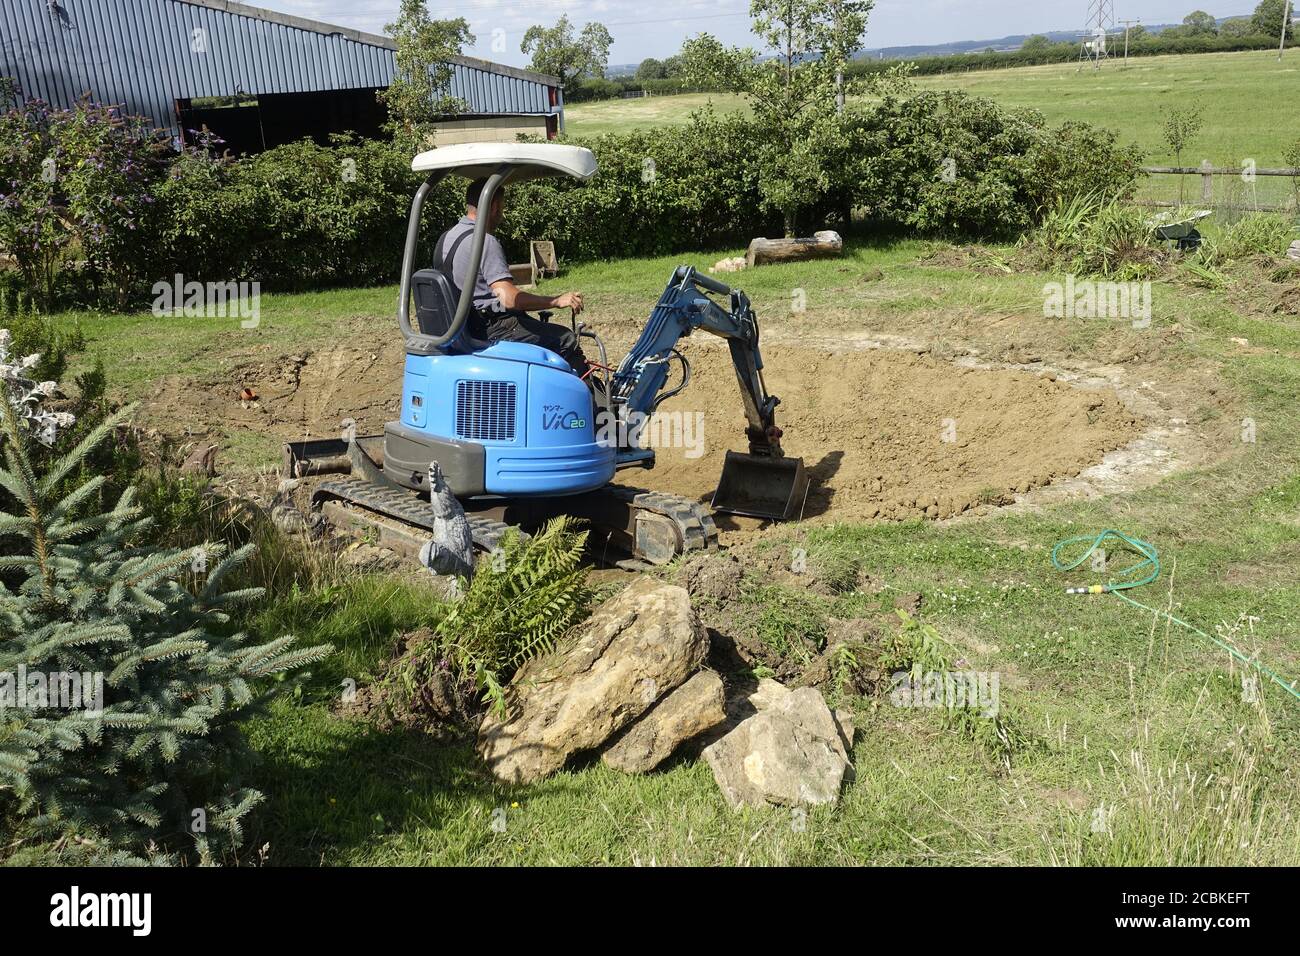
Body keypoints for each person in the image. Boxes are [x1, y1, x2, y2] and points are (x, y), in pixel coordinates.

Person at [434, 178, 590, 375]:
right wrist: (556, 300)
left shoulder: (445, 238)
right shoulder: (485, 241)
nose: (502, 215)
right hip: (491, 328)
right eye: (502, 208)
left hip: (462, 327)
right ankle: (591, 403)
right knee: (566, 338)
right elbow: (508, 298)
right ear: (494, 206)